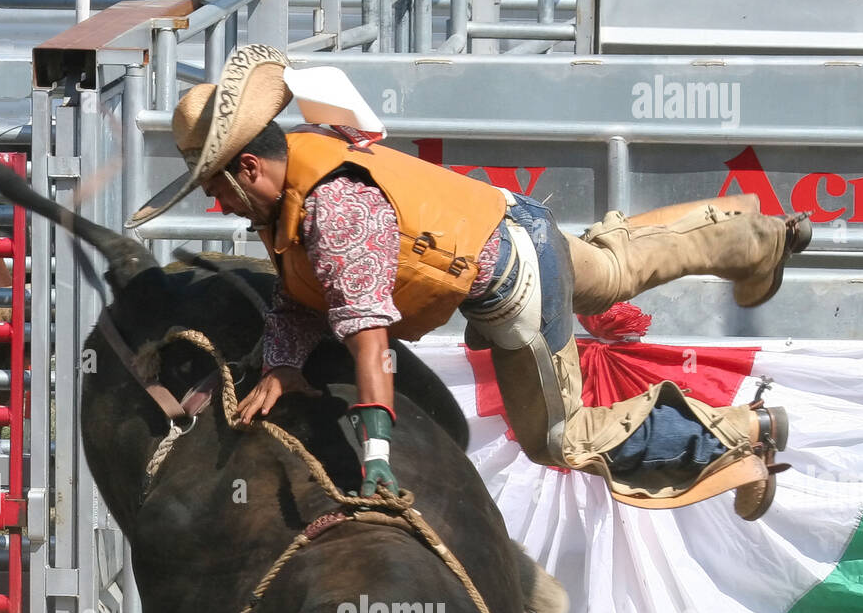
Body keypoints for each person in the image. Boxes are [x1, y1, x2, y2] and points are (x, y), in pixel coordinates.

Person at [131, 46, 812, 521]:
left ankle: (741, 432)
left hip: (513, 291)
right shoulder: (306, 171)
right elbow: (301, 296)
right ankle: (761, 236)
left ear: (248, 168)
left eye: (214, 185)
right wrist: (281, 363)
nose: (216, 204)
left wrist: (375, 458)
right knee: (610, 270)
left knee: (560, 439)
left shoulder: (334, 214)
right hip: (516, 225)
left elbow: (371, 346)